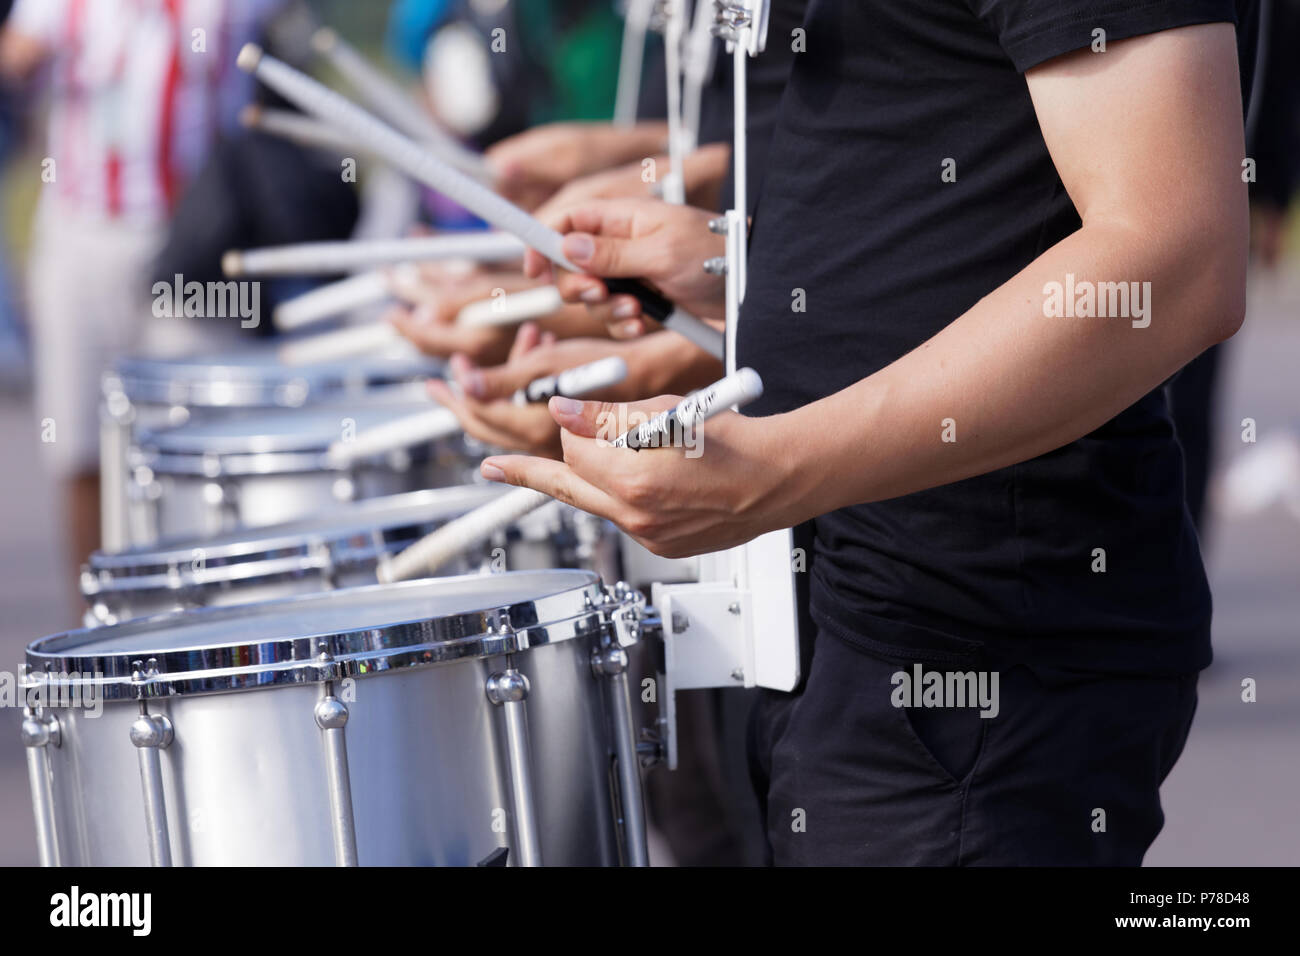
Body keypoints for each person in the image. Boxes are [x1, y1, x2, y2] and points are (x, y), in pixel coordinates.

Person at [482, 4, 1258, 864]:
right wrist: (731, 266)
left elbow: (1175, 255)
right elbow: (945, 166)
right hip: (852, 622)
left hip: (973, 651)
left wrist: (777, 471)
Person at [0, 0, 283, 588]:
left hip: (193, 243)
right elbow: (18, 55)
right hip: (83, 230)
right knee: (78, 444)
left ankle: (200, 621)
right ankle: (95, 618)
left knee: (201, 446)